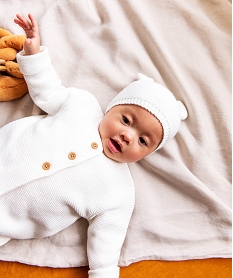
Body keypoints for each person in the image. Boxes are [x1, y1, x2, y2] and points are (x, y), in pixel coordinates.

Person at [0, 14, 188, 278]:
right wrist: (33, 54)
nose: (127, 136)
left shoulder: (118, 193)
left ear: (149, 153)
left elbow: (106, 244)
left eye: (143, 141)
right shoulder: (81, 106)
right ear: (112, 108)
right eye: (126, 120)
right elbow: (47, 90)